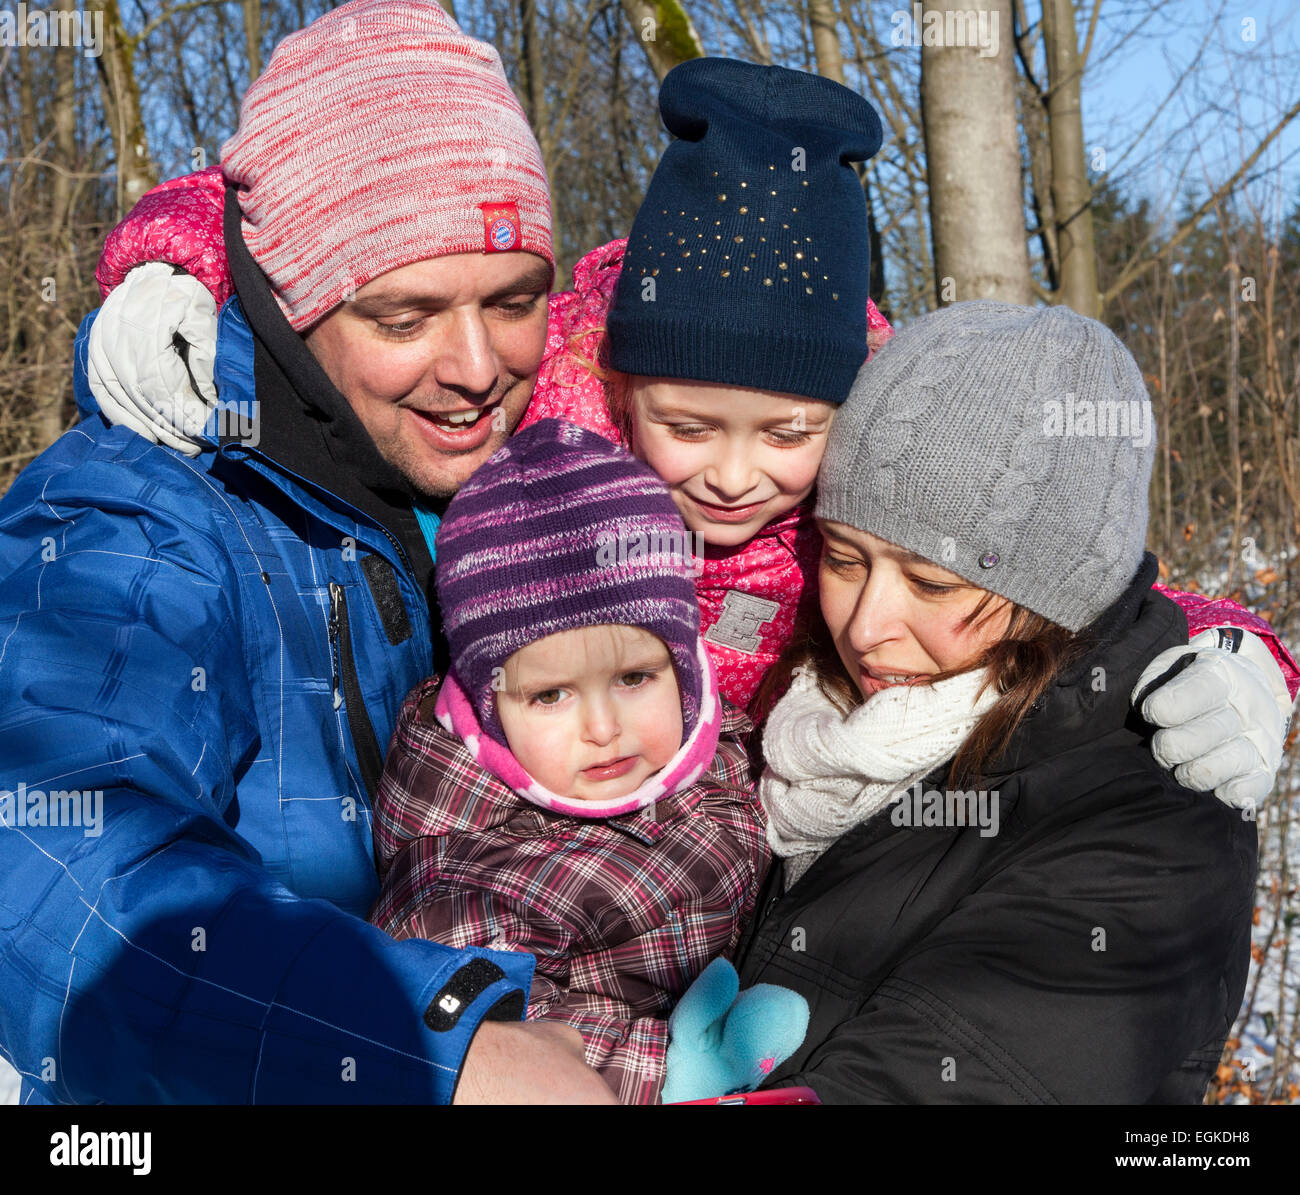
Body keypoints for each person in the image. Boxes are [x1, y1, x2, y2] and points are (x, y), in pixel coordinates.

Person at [0, 0, 613, 1105]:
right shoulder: (132, 515)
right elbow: (54, 867)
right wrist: (437, 1046)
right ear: (292, 302)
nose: (477, 367)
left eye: (514, 301)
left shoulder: (552, 493)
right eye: (402, 315)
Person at [733, 301, 1261, 1103]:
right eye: (845, 558)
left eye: (931, 582)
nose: (867, 626)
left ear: (1058, 598)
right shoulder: (802, 727)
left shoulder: (1152, 822)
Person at [370, 418, 806, 1104]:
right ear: (489, 706)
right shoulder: (467, 874)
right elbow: (490, 1034)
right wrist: (668, 1068)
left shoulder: (706, 741)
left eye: (635, 678)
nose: (603, 728)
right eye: (550, 695)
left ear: (683, 670)